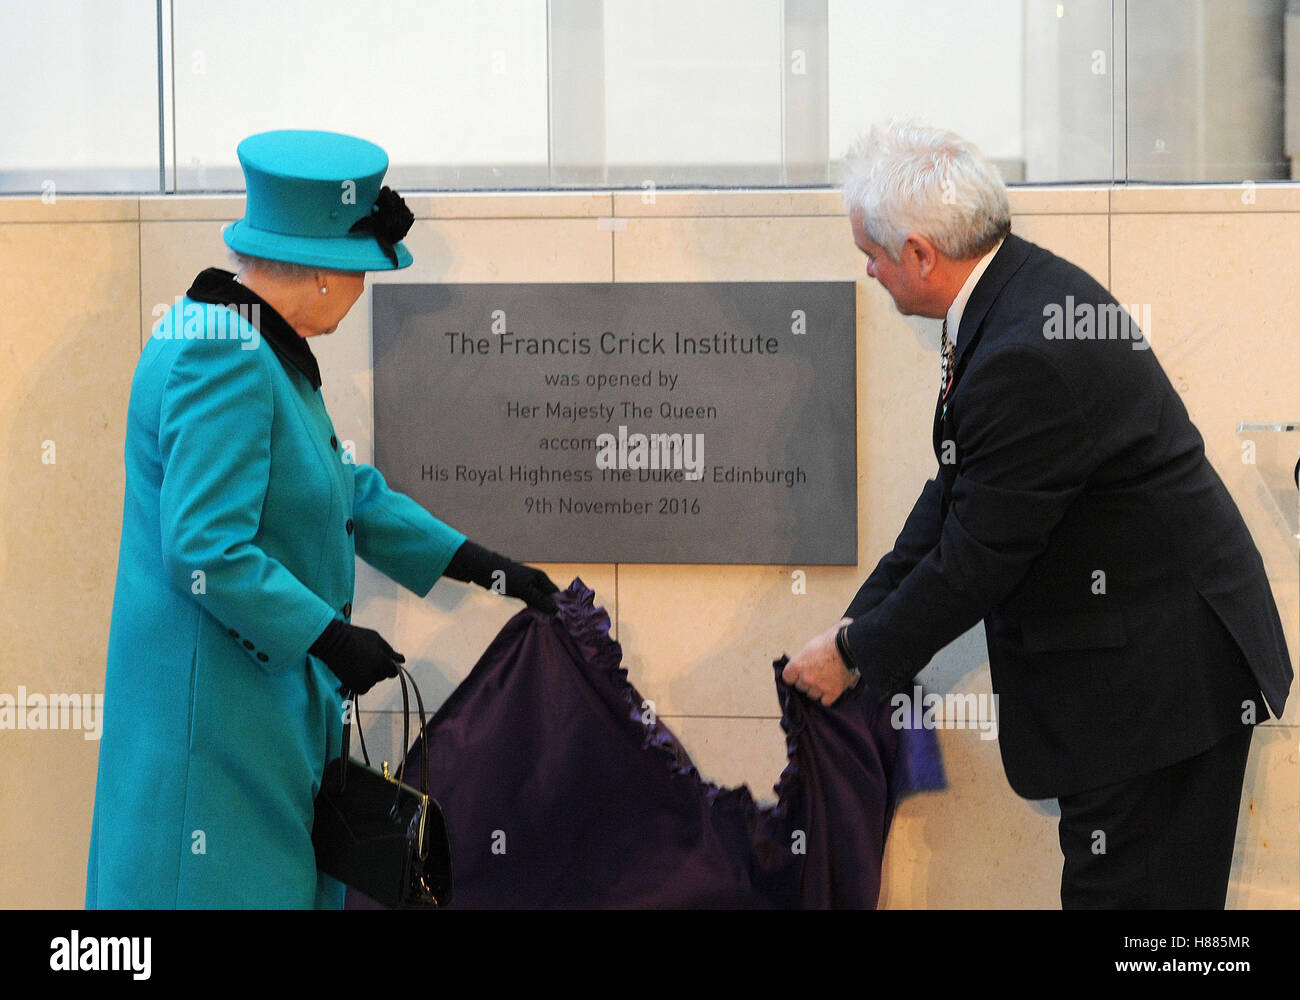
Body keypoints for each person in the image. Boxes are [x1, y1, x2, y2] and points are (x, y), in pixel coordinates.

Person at [782, 121, 1292, 909]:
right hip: (1145, 669)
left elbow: (976, 559)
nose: (870, 271)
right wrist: (859, 624)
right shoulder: (1014, 297)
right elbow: (952, 497)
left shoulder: (1025, 352)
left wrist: (854, 653)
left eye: (873, 254)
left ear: (921, 254)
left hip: (1159, 687)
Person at [85, 129, 557, 909]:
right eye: (362, 274)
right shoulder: (226, 355)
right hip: (218, 726)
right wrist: (331, 637)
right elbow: (205, 546)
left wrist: (478, 561)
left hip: (254, 708)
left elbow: (341, 488)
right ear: (325, 276)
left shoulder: (246, 342)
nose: (364, 290)